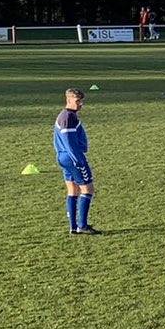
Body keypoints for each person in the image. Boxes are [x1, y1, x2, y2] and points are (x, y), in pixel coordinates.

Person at [53, 87, 98, 234]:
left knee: (73, 190)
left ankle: (73, 227)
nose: (80, 104)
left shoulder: (64, 115)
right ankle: (82, 226)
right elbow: (69, 142)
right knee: (88, 189)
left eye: (81, 101)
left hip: (62, 157)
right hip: (72, 158)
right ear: (68, 100)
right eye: (77, 101)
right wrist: (79, 161)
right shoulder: (68, 117)